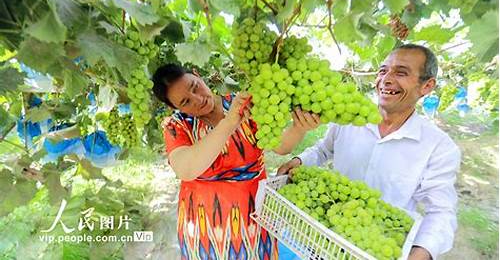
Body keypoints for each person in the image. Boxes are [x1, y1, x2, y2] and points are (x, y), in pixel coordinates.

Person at [277, 44, 461, 260]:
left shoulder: (439, 147)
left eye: (401, 72)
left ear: (427, 86)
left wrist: (420, 253)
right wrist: (300, 161)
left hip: (370, 248)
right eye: (383, 71)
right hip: (318, 232)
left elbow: (441, 212)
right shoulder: (349, 117)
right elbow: (324, 150)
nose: (386, 79)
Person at [152, 63, 318, 260]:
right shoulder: (177, 125)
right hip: (204, 228)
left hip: (254, 219)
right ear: (176, 108)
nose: (197, 99)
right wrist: (229, 122)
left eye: (195, 86)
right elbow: (185, 169)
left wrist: (300, 127)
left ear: (197, 74)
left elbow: (280, 146)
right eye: (186, 102)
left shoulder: (244, 105)